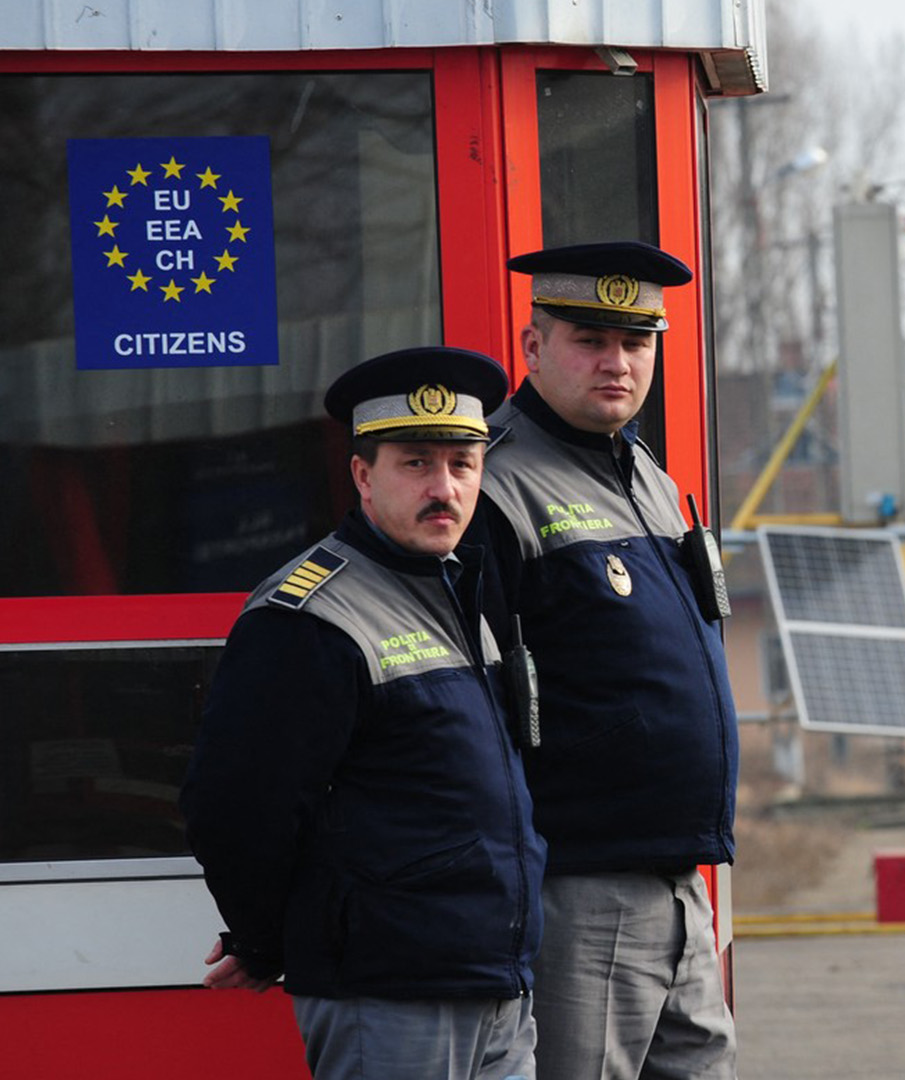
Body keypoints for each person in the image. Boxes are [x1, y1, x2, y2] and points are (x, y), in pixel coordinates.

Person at [179, 347, 546, 1080]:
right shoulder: (311, 615)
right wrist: (264, 941)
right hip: (389, 993)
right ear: (361, 475)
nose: (444, 487)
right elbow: (237, 805)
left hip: (496, 986)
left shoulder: (463, 591)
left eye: (463, 464)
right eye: (415, 463)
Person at [478, 241, 739, 1080]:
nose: (617, 363)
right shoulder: (496, 486)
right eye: (589, 340)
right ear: (532, 347)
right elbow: (474, 708)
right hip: (580, 887)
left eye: (636, 343)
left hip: (675, 878)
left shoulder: (648, 475)